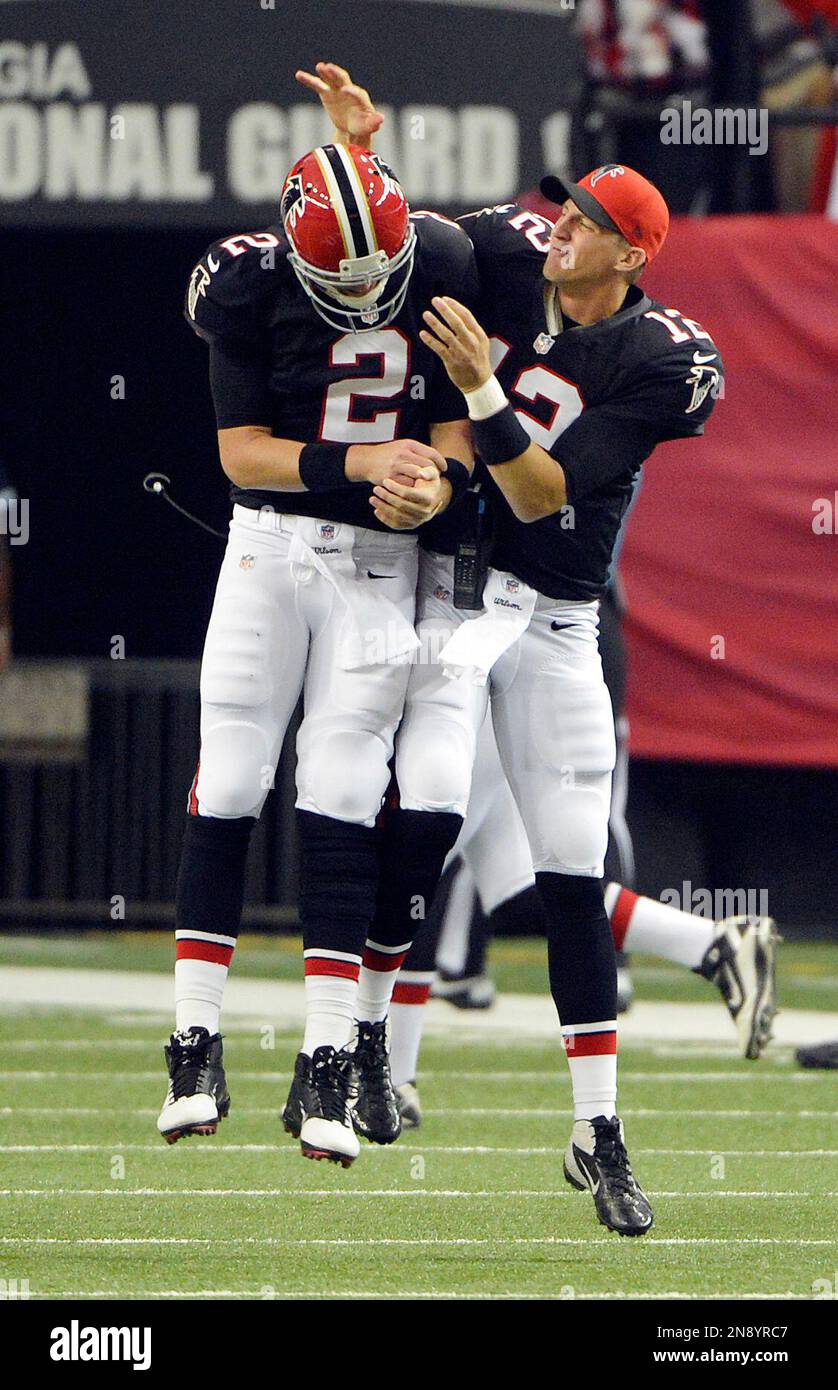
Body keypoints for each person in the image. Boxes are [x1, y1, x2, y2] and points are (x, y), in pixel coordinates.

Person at [303, 63, 727, 1237]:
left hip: (550, 619)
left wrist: (484, 389)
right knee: (423, 814)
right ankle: (375, 1048)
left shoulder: (657, 362)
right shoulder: (505, 252)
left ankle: (596, 1131)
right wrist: (360, 163)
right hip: (451, 591)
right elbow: (394, 238)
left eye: (590, 223)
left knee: (571, 878)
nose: (564, 227)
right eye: (567, 208)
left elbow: (541, 496)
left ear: (629, 258)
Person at [156, 140, 476, 1170]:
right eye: (337, 279)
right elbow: (240, 449)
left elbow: (458, 429)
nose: (361, 295)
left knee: (342, 785)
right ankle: (194, 1043)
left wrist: (438, 488)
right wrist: (359, 460)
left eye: (375, 274)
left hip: (383, 560)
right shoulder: (243, 281)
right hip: (271, 544)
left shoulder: (440, 258)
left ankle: (327, 1057)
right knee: (236, 774)